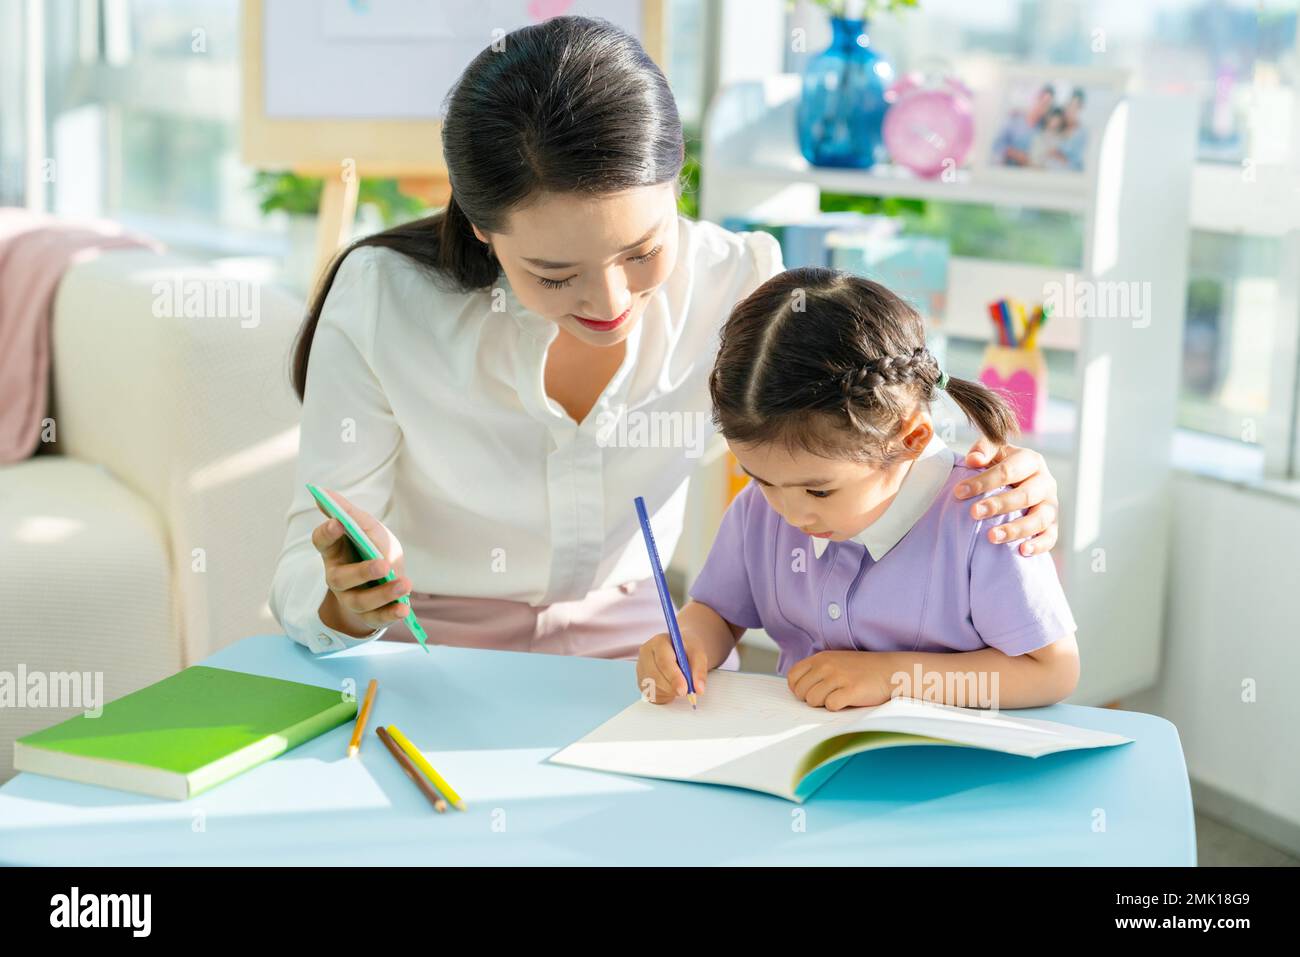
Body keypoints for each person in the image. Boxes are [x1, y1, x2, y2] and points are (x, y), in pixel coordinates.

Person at [270, 16, 1065, 661]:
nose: (611, 300)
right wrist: (342, 598)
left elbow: (884, 397)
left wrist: (1002, 474)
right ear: (483, 231)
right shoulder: (385, 300)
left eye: (643, 251)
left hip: (647, 650)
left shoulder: (734, 277)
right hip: (427, 650)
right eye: (553, 274)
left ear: (677, 186)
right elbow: (308, 560)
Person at [637, 269, 1079, 710]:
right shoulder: (759, 510)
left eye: (820, 492)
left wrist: (894, 677)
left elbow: (1052, 671)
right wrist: (688, 642)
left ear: (911, 440)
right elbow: (718, 613)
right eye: (763, 479)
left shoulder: (986, 518)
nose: (792, 514)